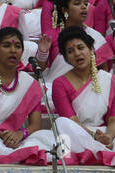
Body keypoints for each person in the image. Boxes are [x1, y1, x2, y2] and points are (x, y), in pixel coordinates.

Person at [0, 27, 55, 164]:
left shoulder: (30, 84)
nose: (13, 50)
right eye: (6, 45)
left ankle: (15, 154)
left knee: (49, 137)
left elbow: (35, 125)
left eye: (17, 46)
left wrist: (21, 134)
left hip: (17, 139)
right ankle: (20, 155)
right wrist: (0, 134)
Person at [49, 27, 115, 164]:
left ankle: (100, 151)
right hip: (77, 134)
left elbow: (113, 120)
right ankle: (98, 152)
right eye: (70, 51)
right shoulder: (59, 83)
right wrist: (95, 137)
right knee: (60, 123)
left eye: (81, 47)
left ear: (91, 50)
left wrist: (107, 137)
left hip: (104, 133)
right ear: (66, 58)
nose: (77, 53)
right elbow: (71, 120)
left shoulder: (109, 79)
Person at [37, 0, 109, 84]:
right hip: (54, 87)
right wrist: (43, 53)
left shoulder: (96, 36)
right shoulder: (51, 35)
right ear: (65, 10)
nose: (83, 7)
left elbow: (104, 70)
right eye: (77, 3)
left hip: (86, 90)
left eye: (86, 4)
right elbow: (39, 69)